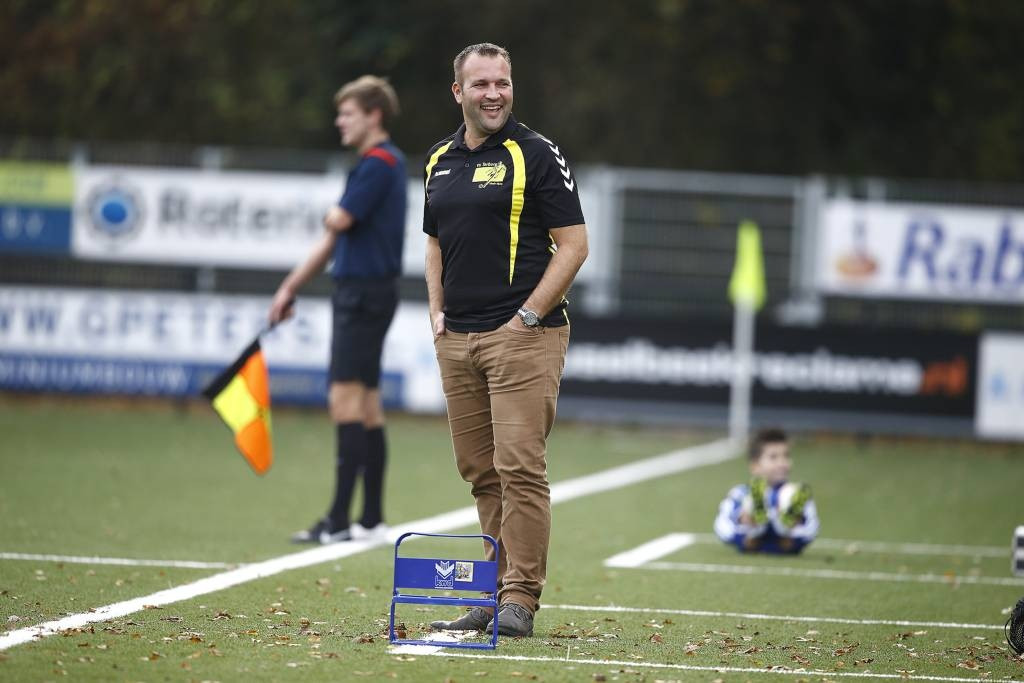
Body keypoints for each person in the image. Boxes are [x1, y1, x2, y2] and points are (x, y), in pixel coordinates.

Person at [423, 43, 588, 638]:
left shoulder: (536, 154)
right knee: (479, 471)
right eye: (482, 84)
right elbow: (435, 241)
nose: (494, 94)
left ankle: (519, 598)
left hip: (523, 337)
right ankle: (492, 594)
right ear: (458, 92)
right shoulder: (438, 159)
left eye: (503, 83)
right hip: (457, 341)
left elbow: (574, 245)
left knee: (519, 468)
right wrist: (437, 312)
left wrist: (527, 316)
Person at [268, 75, 406, 544]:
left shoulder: (378, 163)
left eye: (348, 113)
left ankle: (339, 520)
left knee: (345, 398)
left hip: (361, 295)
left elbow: (338, 221)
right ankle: (369, 518)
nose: (339, 122)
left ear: (374, 115)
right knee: (366, 403)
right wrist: (290, 287)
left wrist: (332, 214)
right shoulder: (381, 163)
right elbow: (333, 235)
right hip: (369, 293)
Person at [714, 428, 819, 554]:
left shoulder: (798, 494)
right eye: (773, 457)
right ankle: (756, 526)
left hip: (787, 540)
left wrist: (793, 534)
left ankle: (783, 524)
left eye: (786, 456)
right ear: (755, 466)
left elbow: (811, 529)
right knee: (748, 502)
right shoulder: (740, 492)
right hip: (750, 538)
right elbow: (722, 526)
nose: (782, 463)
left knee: (790, 496)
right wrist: (742, 532)